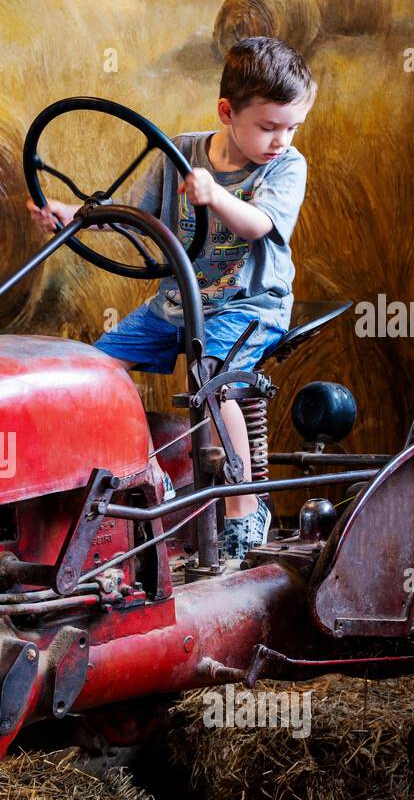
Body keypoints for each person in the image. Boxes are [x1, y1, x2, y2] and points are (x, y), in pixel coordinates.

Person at [27, 36, 315, 559]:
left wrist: (216, 194)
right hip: (178, 304)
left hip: (249, 305)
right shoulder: (180, 153)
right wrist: (75, 215)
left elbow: (258, 226)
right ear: (227, 112)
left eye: (292, 126)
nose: (282, 139)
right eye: (269, 126)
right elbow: (138, 219)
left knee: (217, 384)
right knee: (95, 369)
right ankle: (107, 486)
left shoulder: (285, 166)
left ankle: (243, 511)